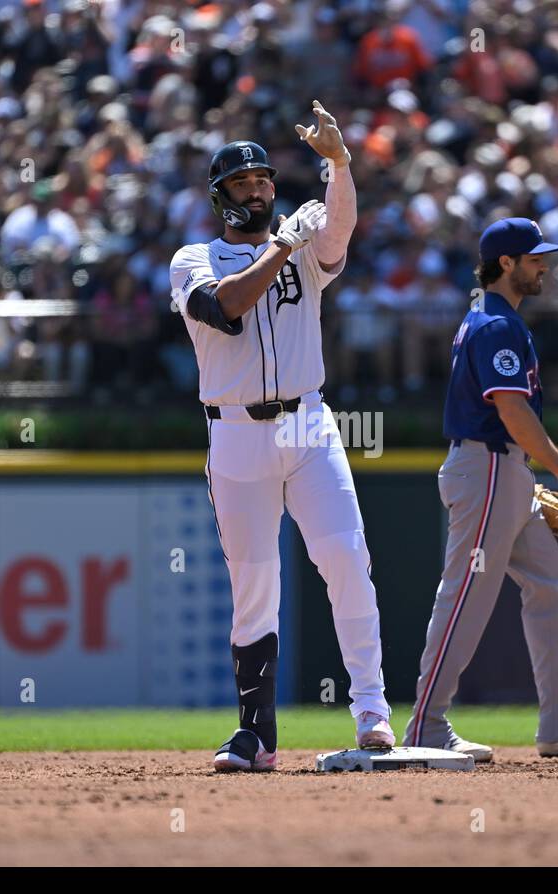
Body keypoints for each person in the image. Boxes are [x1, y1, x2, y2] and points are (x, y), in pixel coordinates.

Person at [168, 104, 394, 773]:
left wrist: (341, 164)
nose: (260, 189)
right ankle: (256, 737)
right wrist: (285, 245)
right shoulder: (195, 257)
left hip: (307, 421)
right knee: (254, 584)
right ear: (221, 197)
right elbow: (227, 306)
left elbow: (341, 228)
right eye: (244, 183)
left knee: (347, 559)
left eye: (264, 179)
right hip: (235, 432)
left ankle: (374, 713)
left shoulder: (301, 239)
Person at [403, 218, 558, 762]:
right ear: (506, 263)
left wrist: (527, 475)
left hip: (505, 471)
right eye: (534, 257)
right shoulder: (497, 323)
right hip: (489, 469)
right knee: (466, 596)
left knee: (549, 584)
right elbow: (511, 407)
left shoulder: (495, 320)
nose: (544, 264)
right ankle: (426, 724)